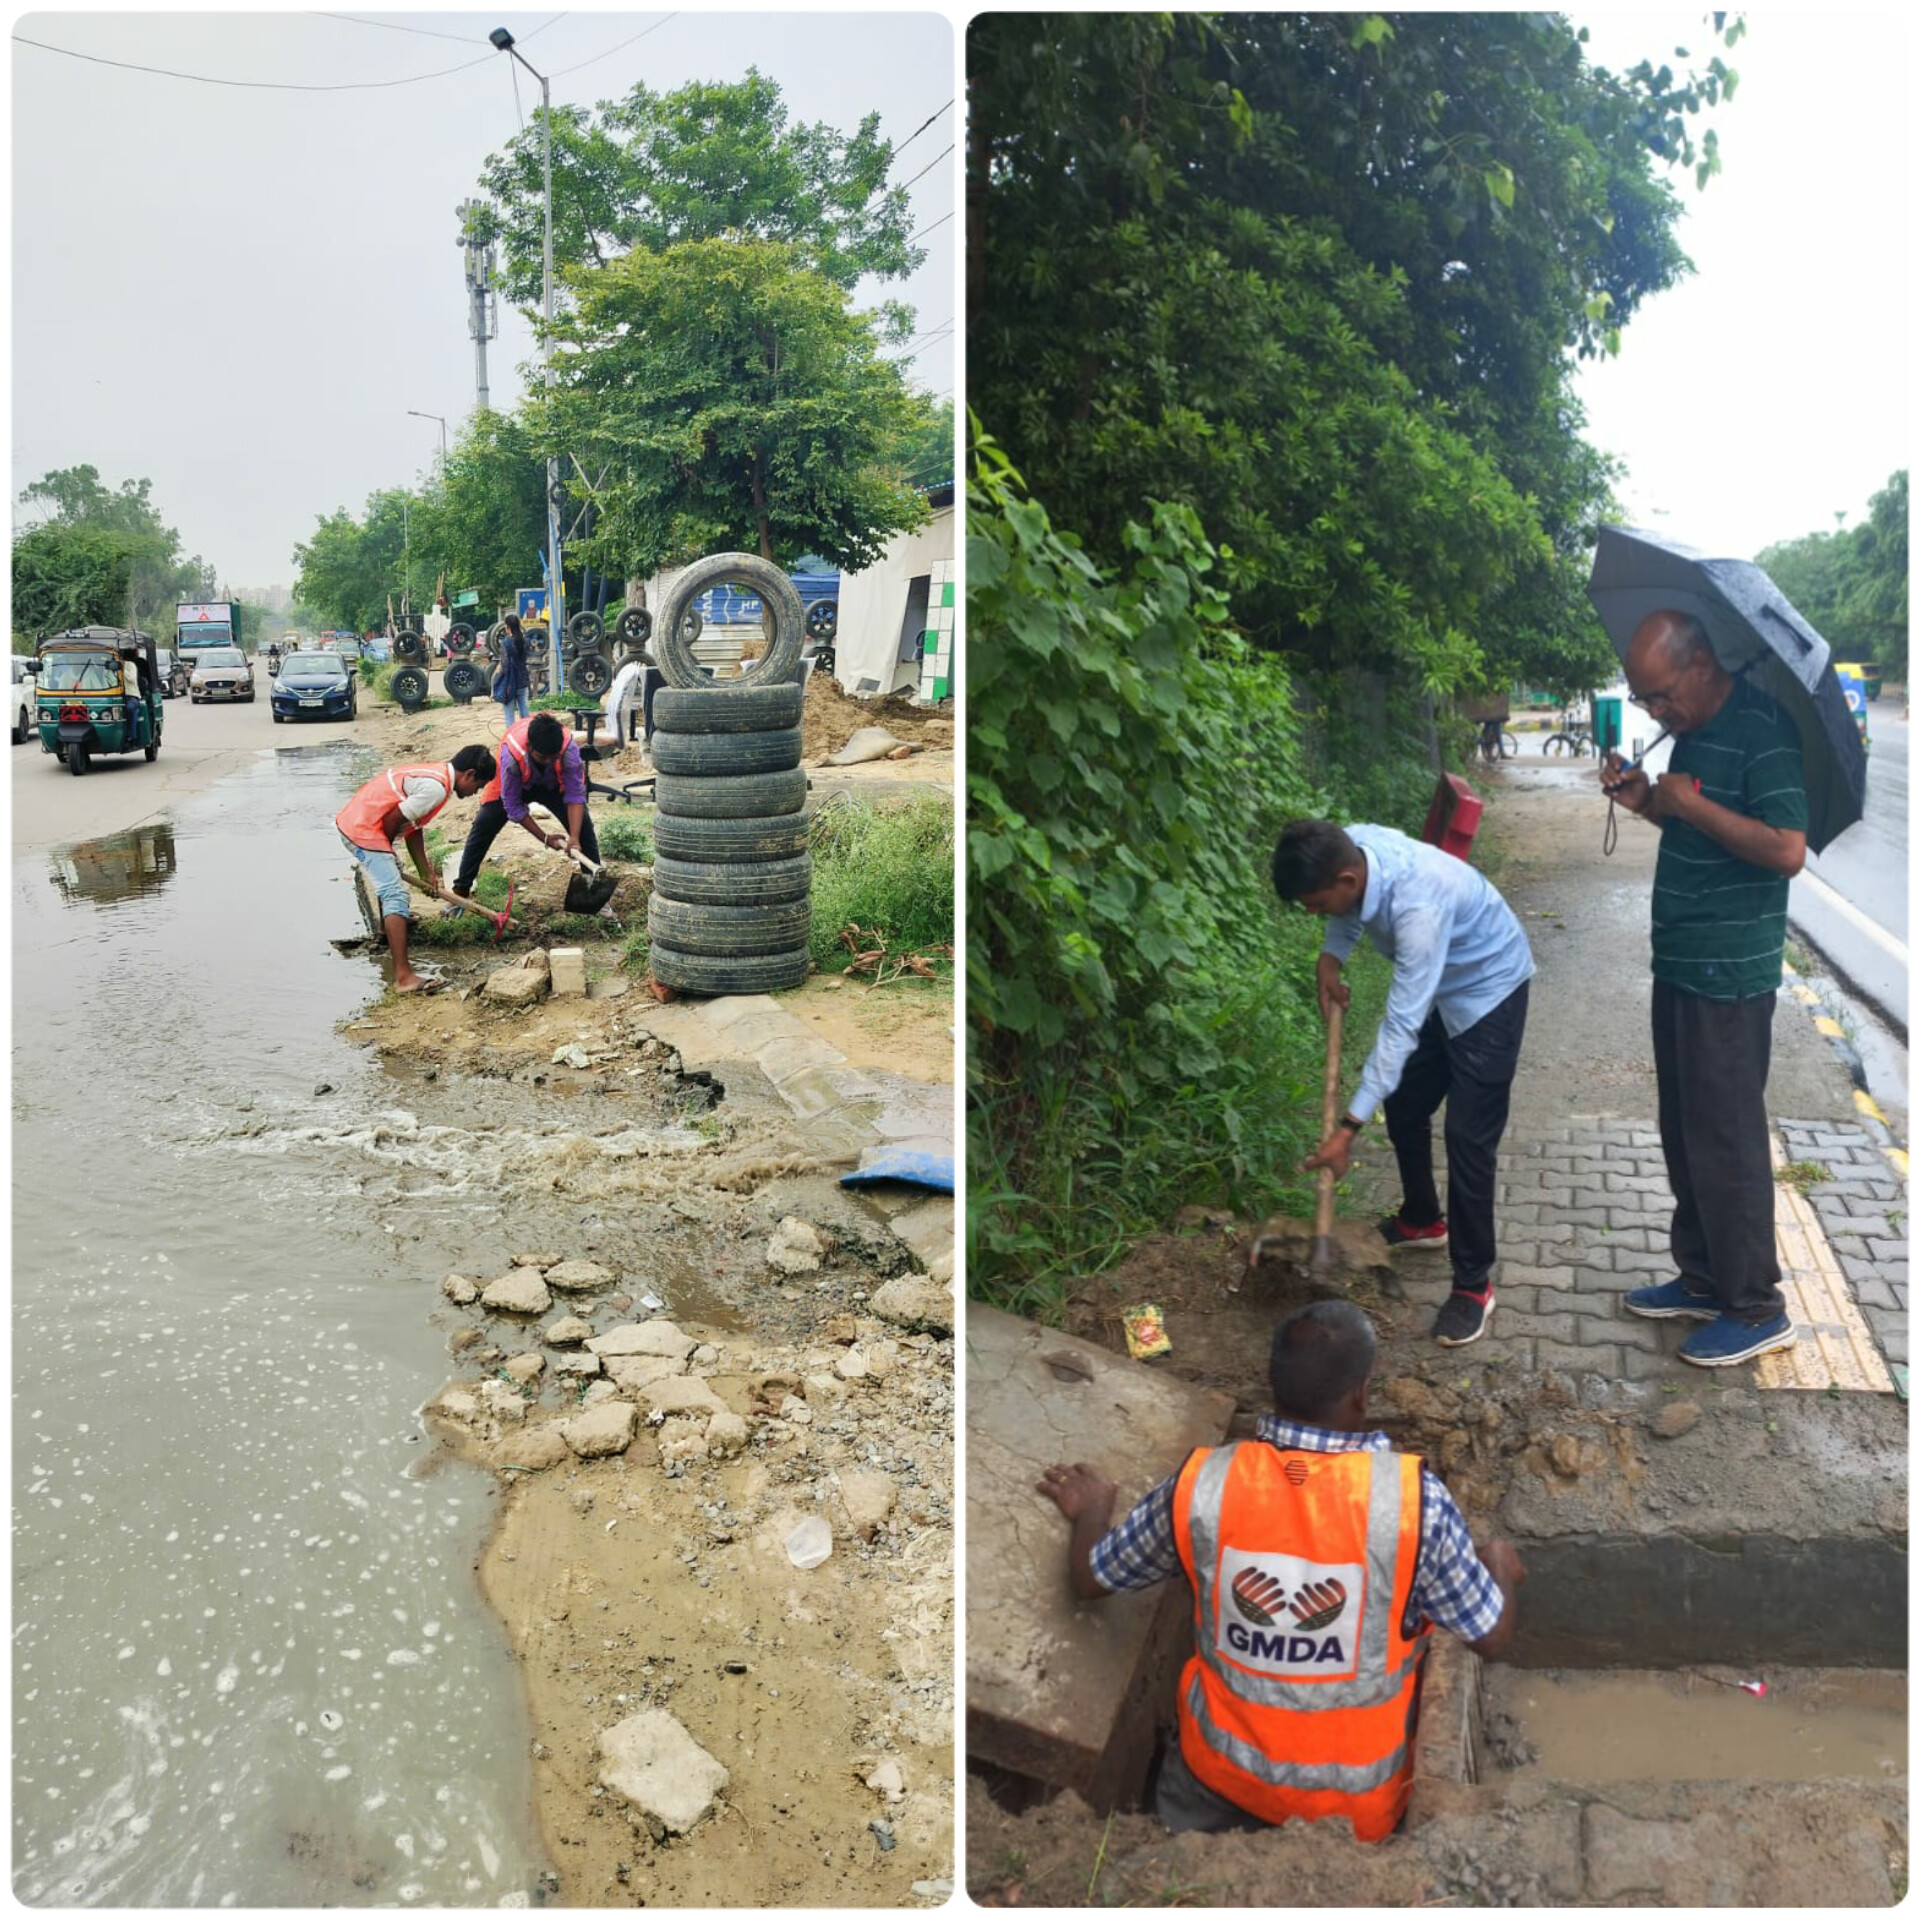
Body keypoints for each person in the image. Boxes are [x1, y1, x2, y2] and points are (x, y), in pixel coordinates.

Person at [1038, 1299, 1524, 1842]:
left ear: (1273, 1385)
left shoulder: (1204, 1485)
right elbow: (1493, 1636)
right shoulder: (1414, 1503)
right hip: (1352, 1820)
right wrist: (1499, 1566)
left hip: (1208, 1788)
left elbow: (1091, 1579)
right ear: (1362, 1394)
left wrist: (1092, 1513)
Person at [1600, 610, 1806, 1367]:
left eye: (1658, 695)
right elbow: (1688, 819)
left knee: (1728, 1140)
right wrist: (1648, 800)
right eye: (1644, 699)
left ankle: (1755, 1306)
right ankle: (1702, 1276)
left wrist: (1690, 803)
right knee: (1685, 1129)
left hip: (1730, 972)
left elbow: (1787, 849)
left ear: (1699, 666)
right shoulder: (1692, 729)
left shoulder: (1766, 729)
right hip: (1682, 960)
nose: (1654, 711)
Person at [1271, 819, 1534, 1347]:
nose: (1313, 913)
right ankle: (1421, 1219)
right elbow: (1348, 911)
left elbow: (1400, 1027)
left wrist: (1347, 1128)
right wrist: (1331, 955)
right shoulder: (1352, 844)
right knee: (1409, 1104)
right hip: (1444, 986)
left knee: (1468, 1137)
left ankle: (1472, 1285)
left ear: (1345, 878)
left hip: (1489, 986)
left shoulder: (1418, 911)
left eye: (1316, 904)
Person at [335, 744, 496, 994]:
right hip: (363, 827)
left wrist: (425, 872)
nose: (476, 792)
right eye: (479, 785)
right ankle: (404, 978)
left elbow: (412, 826)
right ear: (470, 774)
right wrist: (387, 852)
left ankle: (385, 929)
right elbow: (392, 820)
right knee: (395, 894)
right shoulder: (436, 788)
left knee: (389, 883)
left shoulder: (439, 776)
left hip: (359, 821)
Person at [450, 710, 600, 900]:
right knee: (483, 825)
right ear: (530, 747)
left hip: (553, 784)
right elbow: (512, 805)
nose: (547, 761)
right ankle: (460, 891)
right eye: (542, 757)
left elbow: (576, 795)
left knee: (584, 827)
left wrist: (575, 838)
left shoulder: (568, 749)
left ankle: (593, 892)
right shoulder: (512, 755)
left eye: (552, 757)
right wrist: (545, 838)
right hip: (514, 783)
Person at [494, 614, 531, 726]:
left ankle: (511, 739)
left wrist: (498, 671)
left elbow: (505, 666)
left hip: (509, 684)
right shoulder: (525, 641)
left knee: (509, 715)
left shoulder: (506, 642)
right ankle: (527, 736)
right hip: (523, 681)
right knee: (524, 713)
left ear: (508, 627)